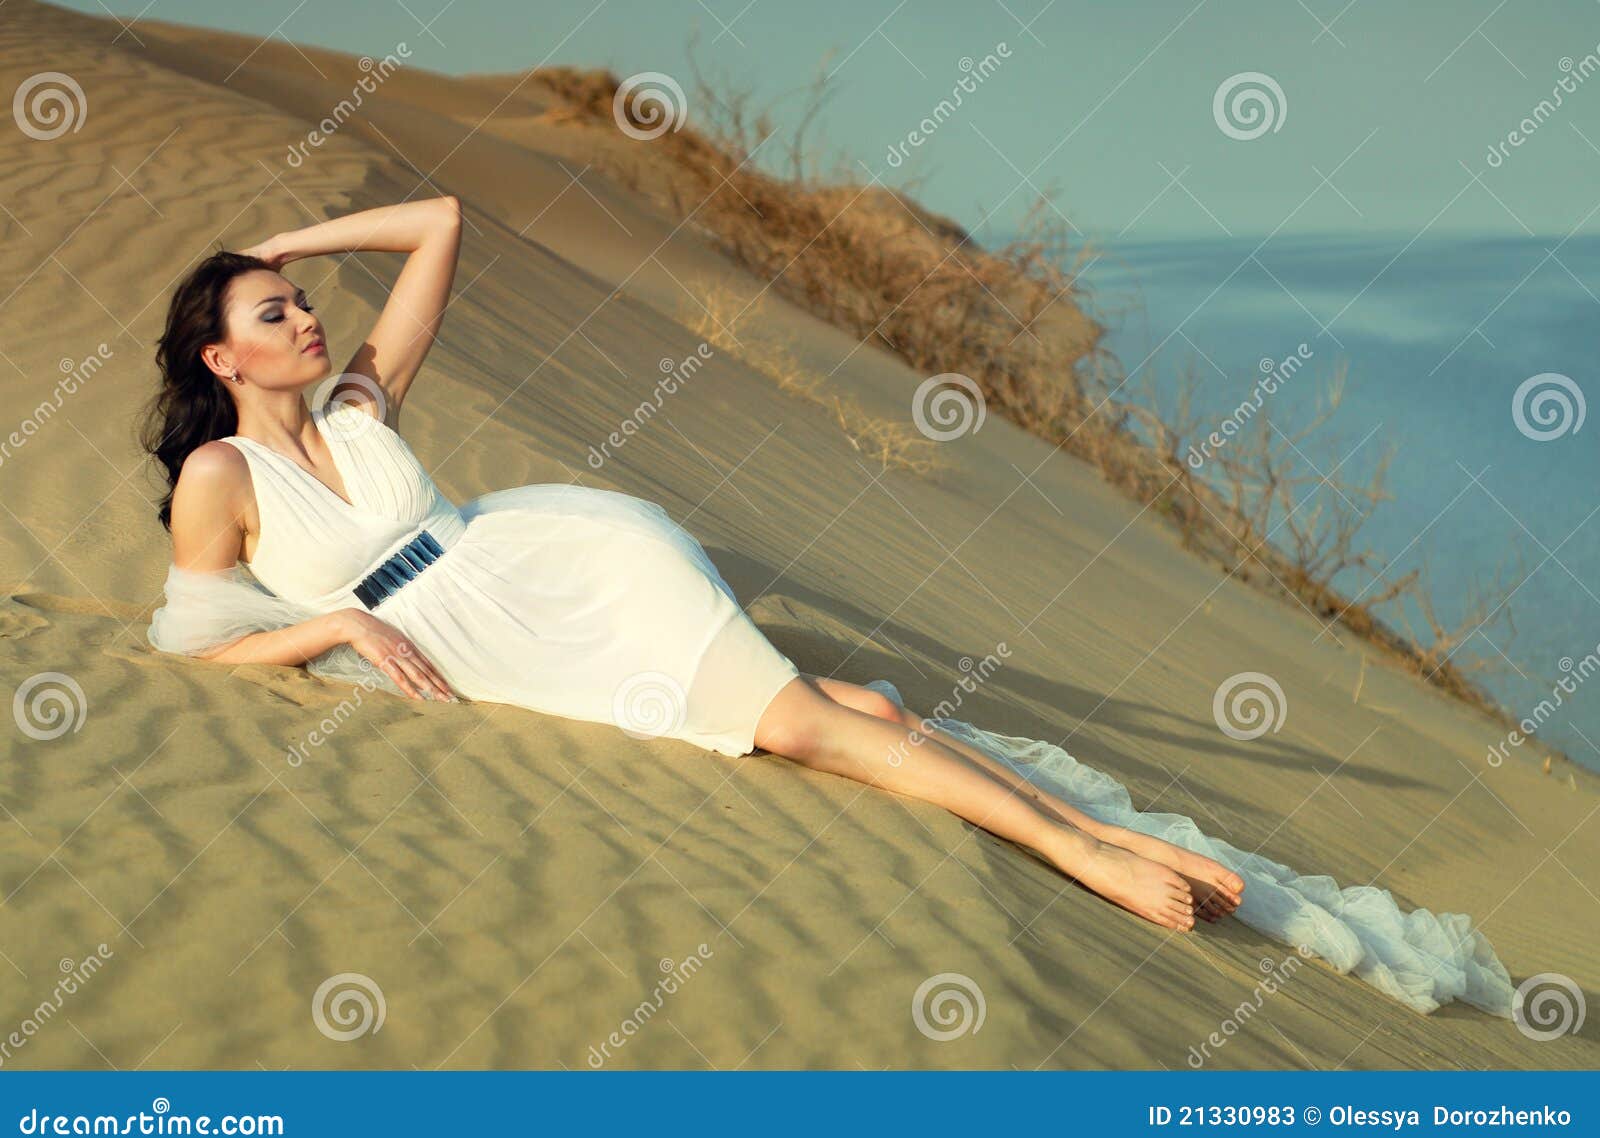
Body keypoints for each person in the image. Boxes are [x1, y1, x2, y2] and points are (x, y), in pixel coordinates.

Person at [142, 197, 1516, 1016]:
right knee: (833, 710)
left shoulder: (364, 402)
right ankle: (1053, 805)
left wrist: (269, 234)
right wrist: (330, 627)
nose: (307, 319)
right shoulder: (220, 472)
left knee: (798, 727)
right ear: (220, 356)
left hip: (565, 566)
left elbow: (439, 221)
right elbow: (194, 646)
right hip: (490, 639)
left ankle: (1086, 850)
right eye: (273, 312)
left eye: (303, 300)